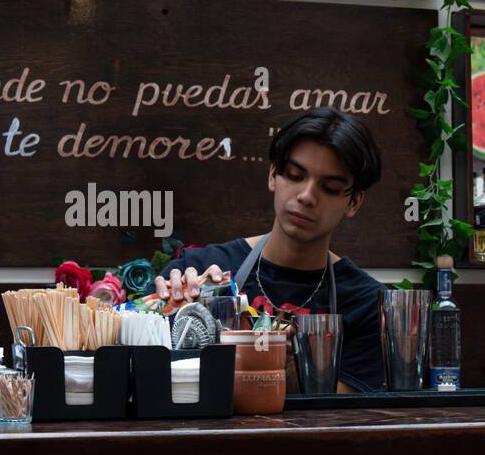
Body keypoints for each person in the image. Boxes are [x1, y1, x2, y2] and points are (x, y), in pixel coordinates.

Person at [156, 107, 385, 393]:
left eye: (329, 188)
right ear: (273, 175)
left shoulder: (367, 305)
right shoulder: (201, 268)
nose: (306, 196)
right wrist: (168, 309)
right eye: (294, 175)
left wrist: (288, 370)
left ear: (354, 202)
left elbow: (340, 416)